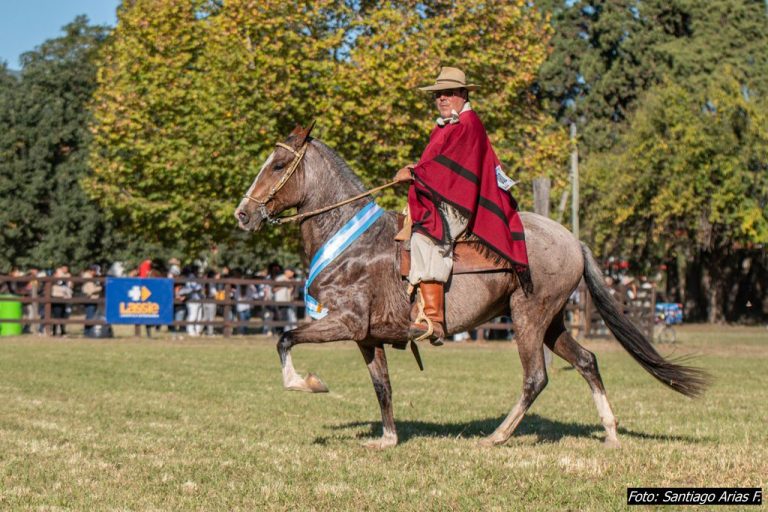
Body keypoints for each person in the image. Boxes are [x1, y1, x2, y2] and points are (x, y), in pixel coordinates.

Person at [393, 66, 531, 344]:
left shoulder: (469, 124)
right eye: (438, 95)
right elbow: (437, 166)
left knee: (425, 236)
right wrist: (416, 169)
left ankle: (434, 319)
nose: (442, 99)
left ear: (463, 94)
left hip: (459, 203)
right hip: (443, 196)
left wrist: (416, 173)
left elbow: (451, 170)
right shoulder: (445, 126)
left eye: (449, 93)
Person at [81, 265, 103, 337]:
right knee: (90, 316)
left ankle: (88, 332)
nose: (96, 274)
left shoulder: (91, 277)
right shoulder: (88, 277)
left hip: (93, 298)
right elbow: (91, 290)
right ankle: (88, 332)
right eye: (95, 272)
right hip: (90, 298)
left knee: (91, 315)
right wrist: (100, 288)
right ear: (92, 271)